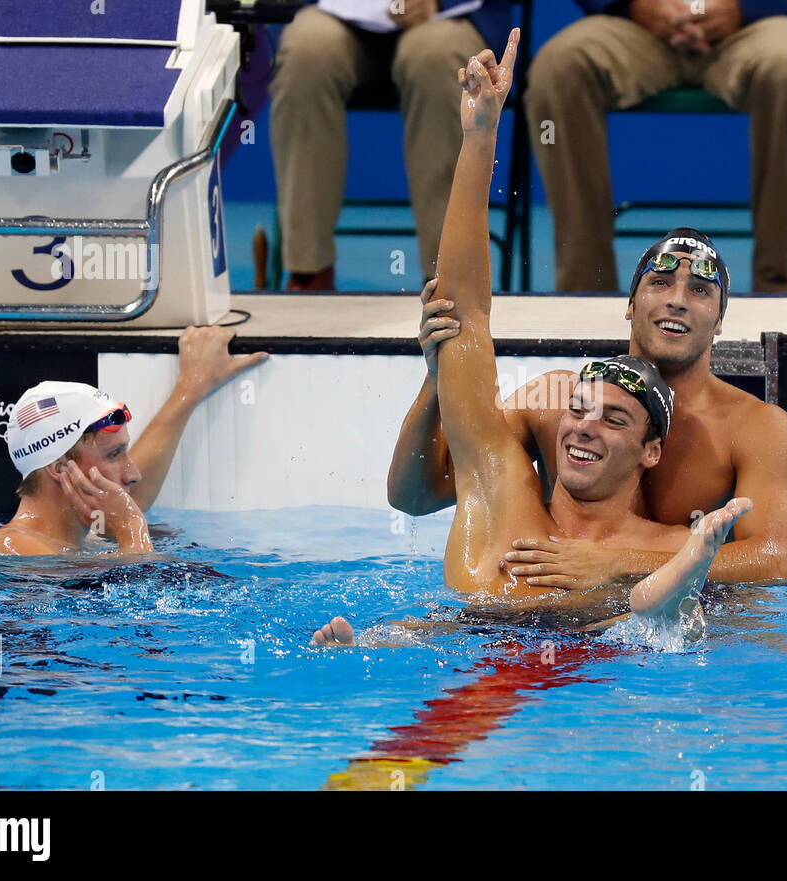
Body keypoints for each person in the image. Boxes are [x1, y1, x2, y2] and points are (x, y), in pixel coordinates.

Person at [314, 29, 750, 645]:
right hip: (457, 655)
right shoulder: (503, 496)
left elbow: (726, 608)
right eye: (578, 408)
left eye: (614, 420)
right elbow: (466, 313)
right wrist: (480, 134)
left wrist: (679, 564)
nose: (584, 426)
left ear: (652, 452)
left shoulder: (674, 546)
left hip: (601, 686)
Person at [388, 223, 787, 589]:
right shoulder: (556, 403)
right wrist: (438, 378)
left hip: (681, 635)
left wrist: (621, 563)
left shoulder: (756, 427)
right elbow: (416, 497)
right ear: (630, 304)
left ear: (718, 321)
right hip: (558, 615)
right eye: (659, 282)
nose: (677, 300)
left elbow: (774, 560)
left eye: (699, 291)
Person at [524, 0, 787, 292]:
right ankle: (587, 292)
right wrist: (638, 5)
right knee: (559, 69)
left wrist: (743, 7)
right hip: (636, 26)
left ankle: (777, 291)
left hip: (760, 24)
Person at [269, 0, 515, 290]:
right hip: (338, 16)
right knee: (306, 53)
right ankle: (309, 271)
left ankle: (448, 281)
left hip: (449, 17)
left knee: (436, 58)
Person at [0, 327, 267, 556]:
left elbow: (130, 499)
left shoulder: (76, 542)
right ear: (62, 467)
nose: (134, 473)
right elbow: (137, 612)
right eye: (114, 454)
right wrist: (131, 530)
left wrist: (190, 387)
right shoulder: (13, 550)